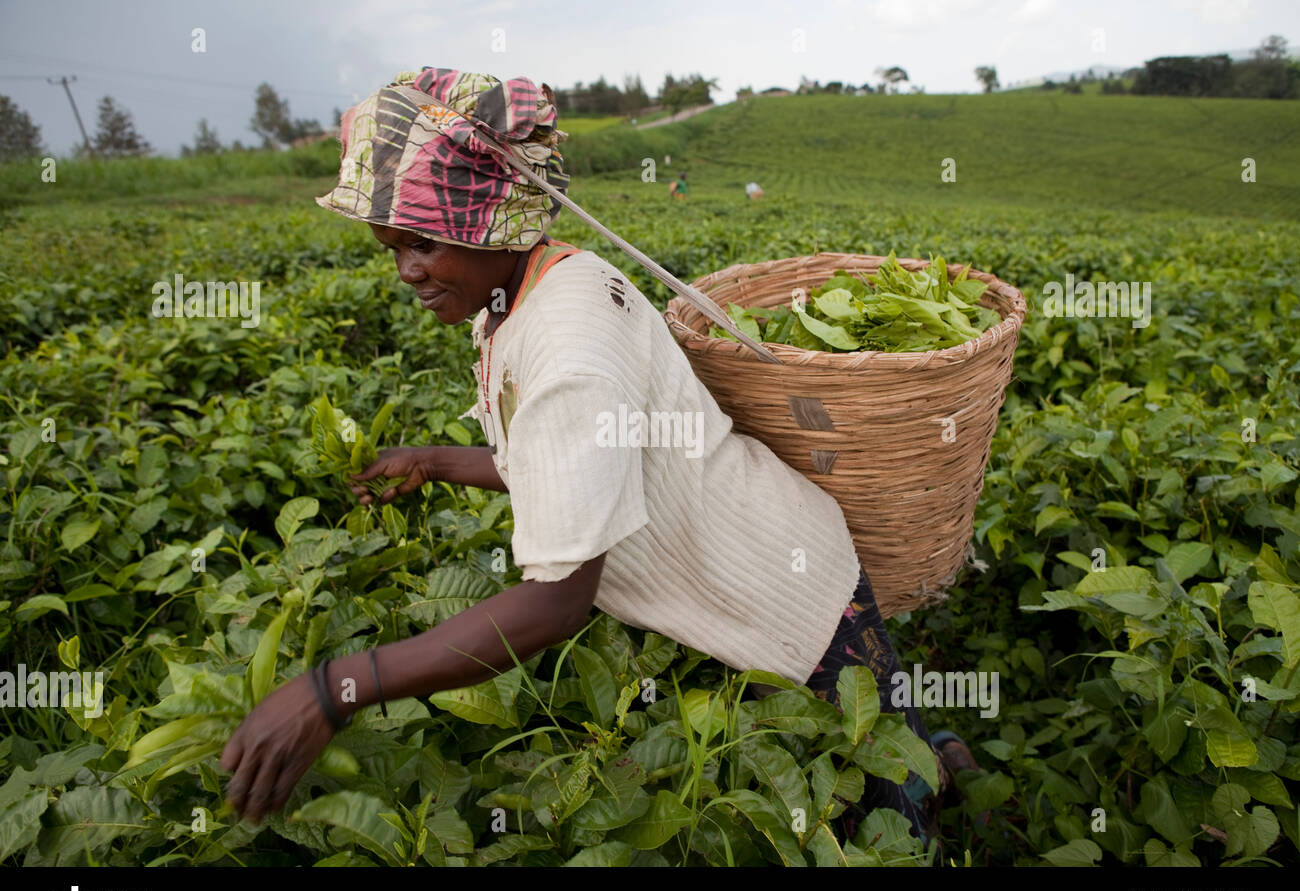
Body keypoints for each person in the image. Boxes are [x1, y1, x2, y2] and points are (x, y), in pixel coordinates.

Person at [219, 66, 979, 847]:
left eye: (421, 241)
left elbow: (555, 600)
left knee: (884, 815)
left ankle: (949, 784)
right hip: (736, 572)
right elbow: (561, 459)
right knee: (879, 730)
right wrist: (441, 462)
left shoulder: (570, 340)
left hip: (789, 588)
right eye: (392, 249)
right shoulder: (518, 292)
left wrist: (336, 689)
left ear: (491, 218)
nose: (407, 270)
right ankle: (941, 752)